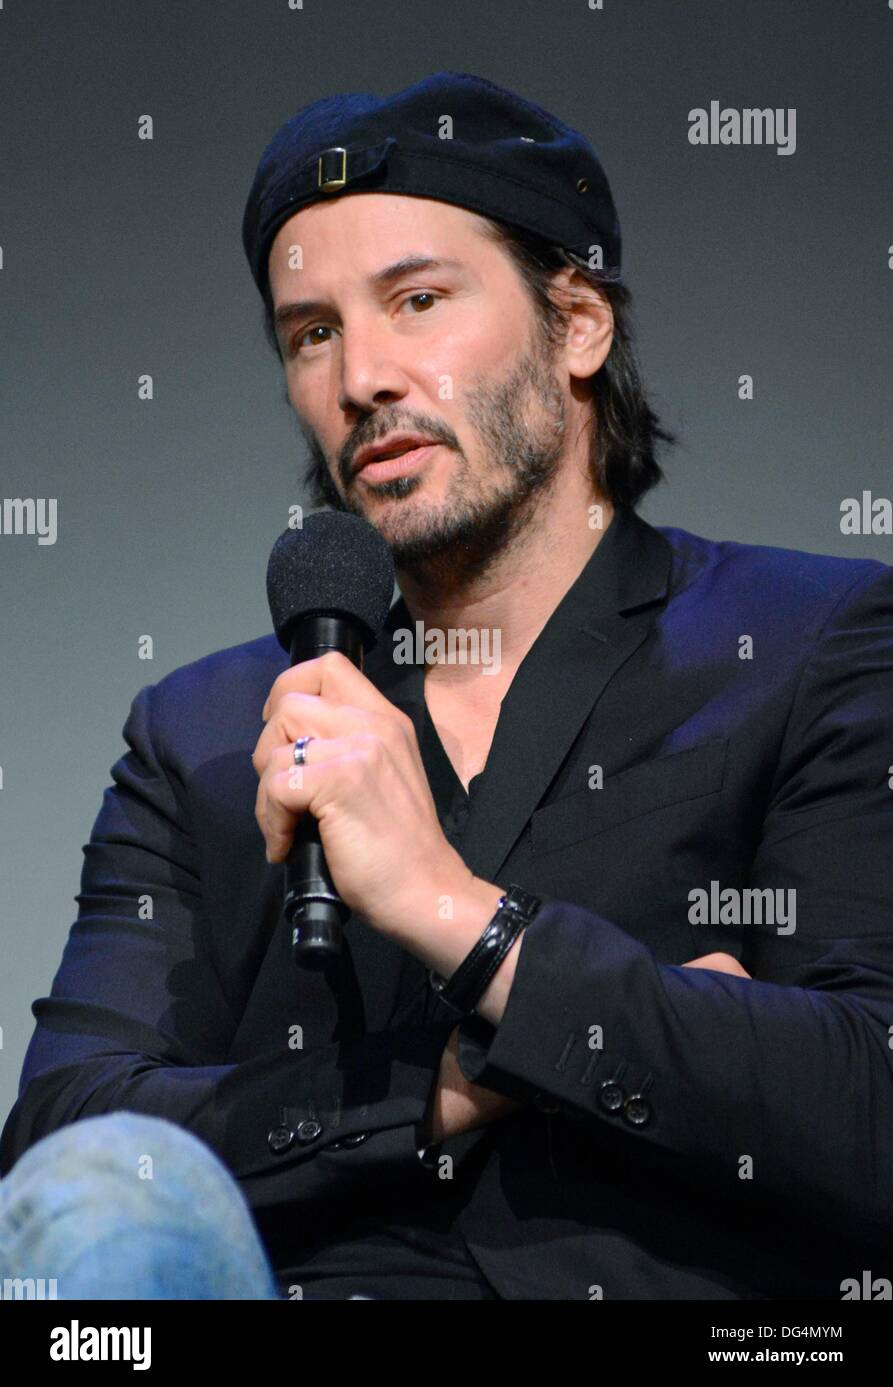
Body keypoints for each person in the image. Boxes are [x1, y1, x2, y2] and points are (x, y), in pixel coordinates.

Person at [2, 71, 892, 1301]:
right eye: (310, 332)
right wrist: (443, 1090)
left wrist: (451, 909)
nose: (361, 374)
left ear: (575, 322)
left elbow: (867, 1095)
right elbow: (68, 1148)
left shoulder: (804, 641)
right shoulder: (203, 731)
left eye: (415, 300)